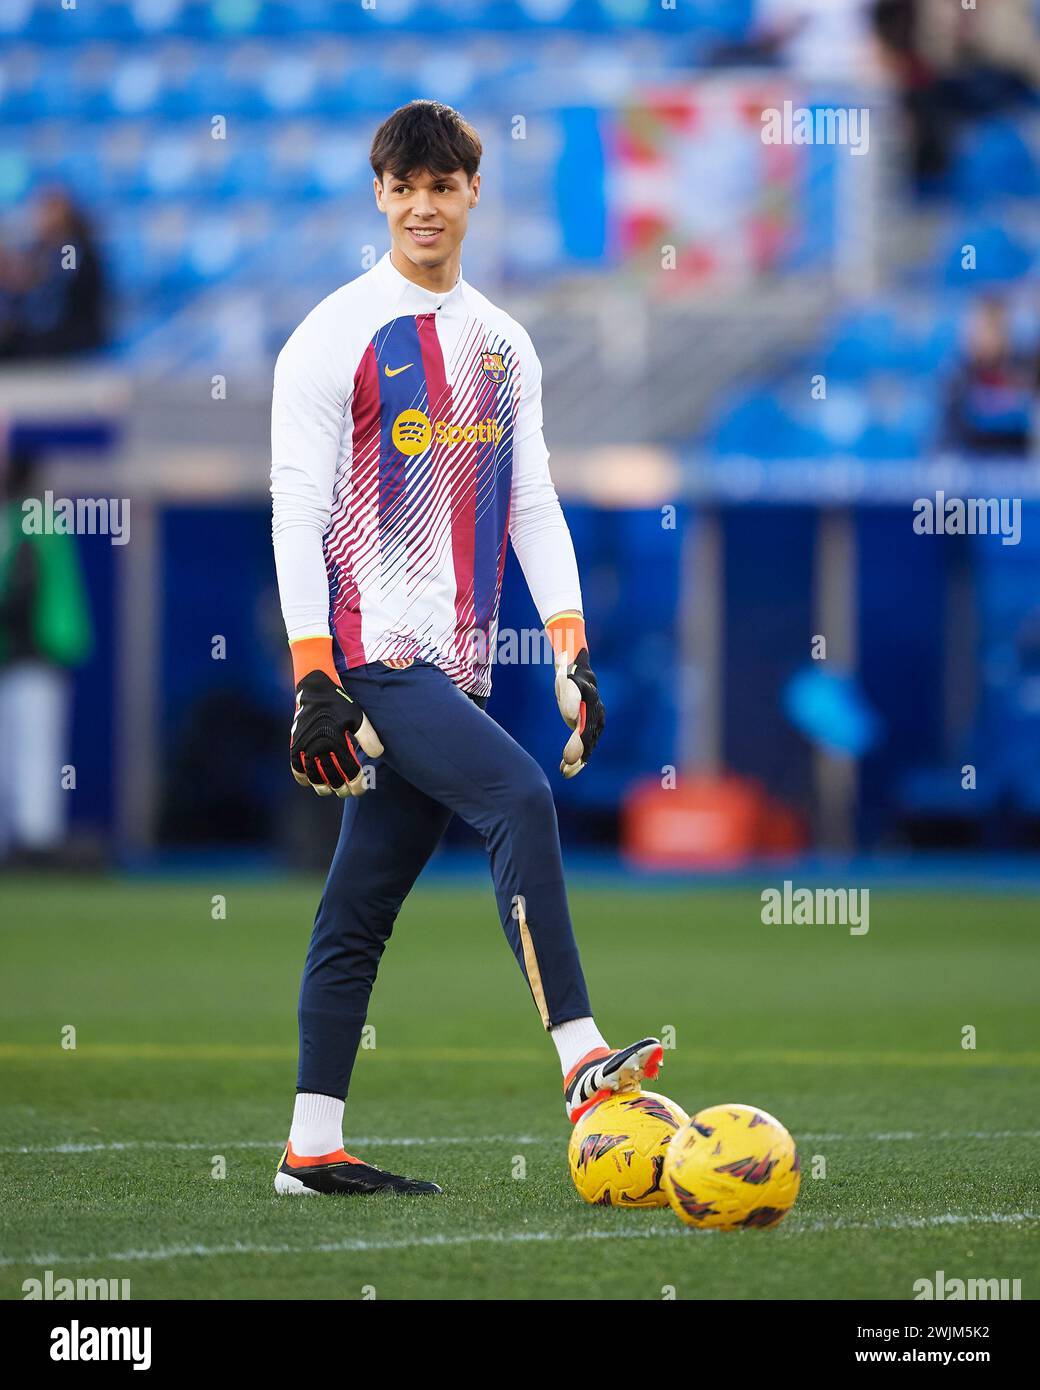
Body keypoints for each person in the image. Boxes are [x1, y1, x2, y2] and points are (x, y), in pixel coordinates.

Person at [269, 100, 662, 1196]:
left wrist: (570, 645)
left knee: (359, 907)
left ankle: (310, 1146)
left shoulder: (503, 344)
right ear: (379, 194)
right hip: (373, 663)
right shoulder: (331, 335)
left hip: (458, 665)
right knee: (518, 797)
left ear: (471, 194)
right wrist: (313, 673)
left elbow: (532, 503)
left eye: (443, 185)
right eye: (404, 186)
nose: (423, 204)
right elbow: (293, 508)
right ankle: (584, 1059)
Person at [0, 441, 93, 863]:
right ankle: (33, 843)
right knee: (33, 754)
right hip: (44, 651)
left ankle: (32, 849)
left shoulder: (24, 521)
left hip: (28, 652)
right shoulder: (44, 518)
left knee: (28, 755)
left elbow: (22, 587)